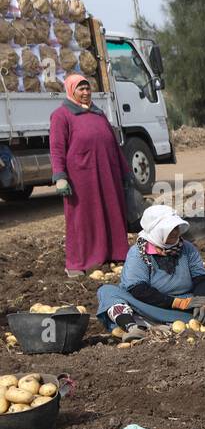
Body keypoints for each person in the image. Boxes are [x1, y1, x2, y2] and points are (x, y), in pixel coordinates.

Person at [95, 204, 205, 340]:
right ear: (156, 231)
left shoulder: (187, 248)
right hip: (146, 306)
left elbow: (200, 278)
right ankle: (132, 327)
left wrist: (204, 304)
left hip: (183, 301)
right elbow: (138, 289)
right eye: (170, 229)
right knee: (107, 291)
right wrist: (179, 303)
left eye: (176, 228)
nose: (175, 233)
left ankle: (158, 324)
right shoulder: (138, 253)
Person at [49, 73, 130, 277]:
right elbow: (57, 148)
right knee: (82, 219)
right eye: (80, 89)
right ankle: (78, 263)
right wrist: (60, 176)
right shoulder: (62, 115)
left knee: (112, 211)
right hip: (81, 178)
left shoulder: (98, 113)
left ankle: (115, 253)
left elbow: (113, 143)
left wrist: (125, 171)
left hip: (107, 173)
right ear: (71, 91)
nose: (85, 92)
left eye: (87, 88)